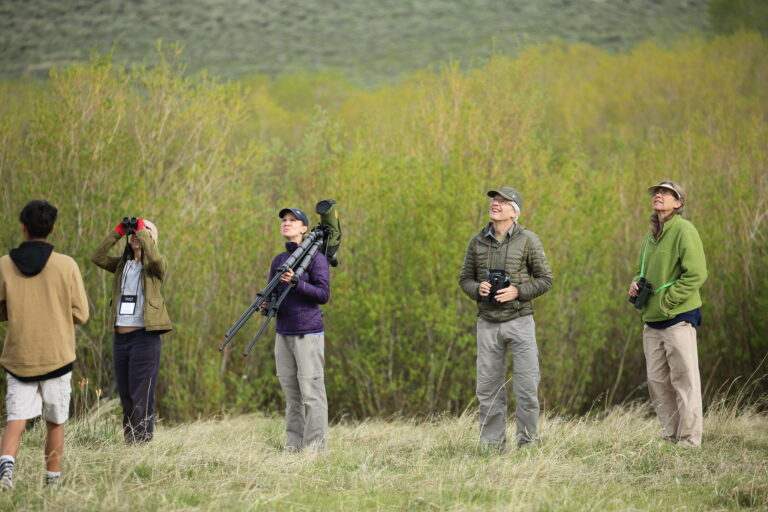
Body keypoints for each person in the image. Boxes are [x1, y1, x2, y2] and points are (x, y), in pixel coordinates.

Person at [0, 200, 89, 490]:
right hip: (57, 357)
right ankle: (51, 484)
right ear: (52, 228)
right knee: (55, 422)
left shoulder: (3, 265)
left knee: (16, 419)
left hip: (19, 357)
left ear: (23, 227)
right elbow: (81, 313)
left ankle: (5, 475)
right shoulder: (67, 266)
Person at [459, 187, 553, 451]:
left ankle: (528, 446)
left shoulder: (528, 240)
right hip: (487, 323)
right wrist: (477, 289)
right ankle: (492, 448)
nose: (495, 204)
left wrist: (518, 291)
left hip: (520, 321)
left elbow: (546, 280)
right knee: (488, 390)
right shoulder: (476, 242)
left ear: (515, 211)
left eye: (502, 201)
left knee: (526, 389)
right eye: (493, 200)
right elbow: (464, 279)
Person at [628, 181, 707, 447]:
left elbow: (696, 274)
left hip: (677, 318)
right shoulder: (651, 236)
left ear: (679, 203)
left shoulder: (685, 230)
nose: (659, 195)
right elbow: (644, 272)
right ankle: (670, 436)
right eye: (656, 193)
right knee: (657, 382)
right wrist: (636, 282)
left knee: (684, 380)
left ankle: (689, 440)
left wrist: (668, 302)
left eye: (666, 193)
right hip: (651, 321)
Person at [91, 217, 172, 444]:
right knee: (126, 396)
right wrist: (118, 232)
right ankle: (131, 443)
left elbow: (155, 258)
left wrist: (142, 230)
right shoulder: (122, 265)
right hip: (121, 338)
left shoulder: (156, 266)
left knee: (141, 395)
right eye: (134, 232)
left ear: (152, 238)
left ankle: (142, 444)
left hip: (144, 338)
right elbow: (97, 257)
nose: (137, 235)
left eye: (143, 232)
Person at [266, 207, 330, 452]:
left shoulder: (316, 258)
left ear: (305, 229)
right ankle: (293, 446)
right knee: (292, 397)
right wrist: (266, 305)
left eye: (293, 220)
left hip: (308, 334)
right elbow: (272, 294)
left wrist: (297, 282)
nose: (286, 223)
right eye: (284, 220)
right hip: (283, 333)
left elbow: (323, 294)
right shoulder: (278, 261)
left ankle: (314, 449)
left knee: (312, 394)